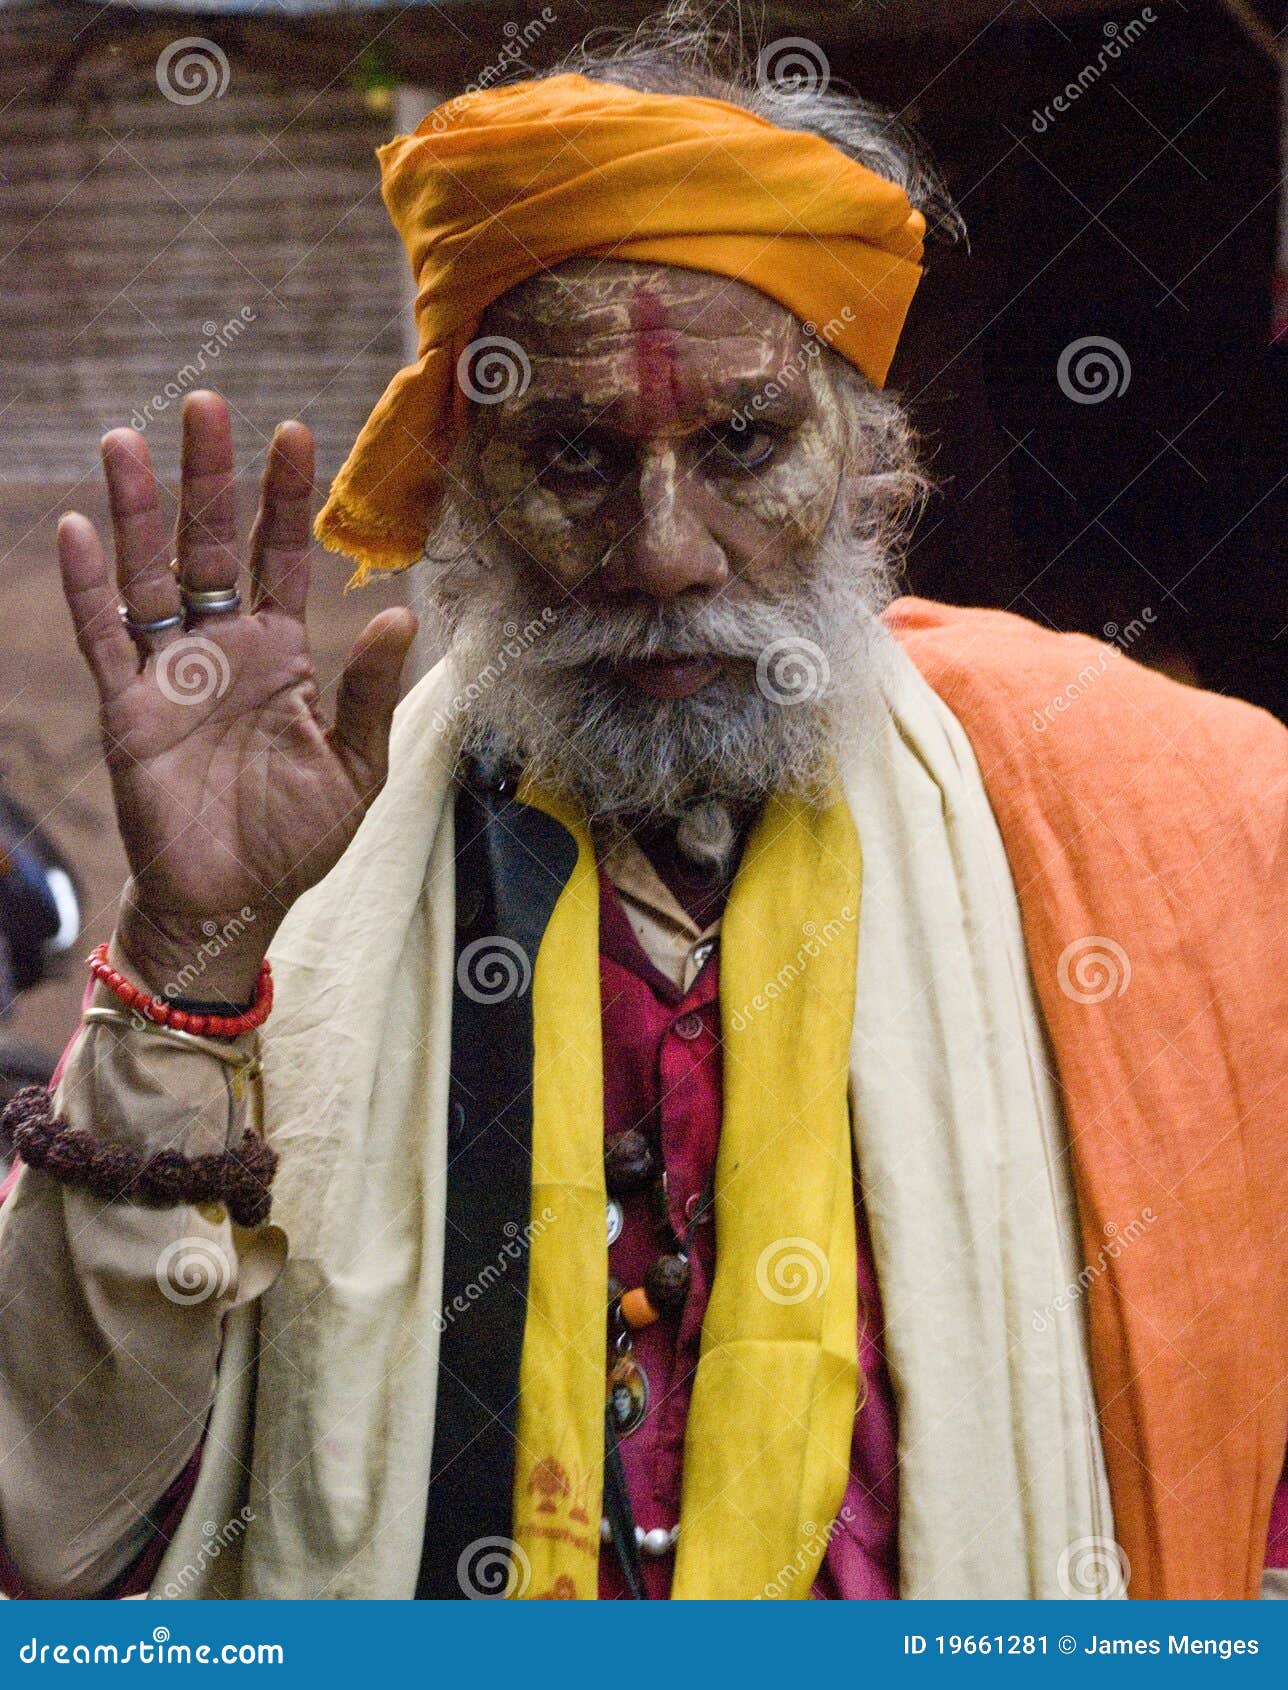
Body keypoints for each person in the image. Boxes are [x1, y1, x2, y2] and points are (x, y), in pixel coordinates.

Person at [0, 17, 1283, 1602]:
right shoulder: (303, 903)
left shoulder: (1144, 830)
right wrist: (191, 953)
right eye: (576, 456)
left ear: (872, 464)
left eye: (743, 443)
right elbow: (54, 1514)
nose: (666, 549)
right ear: (459, 483)